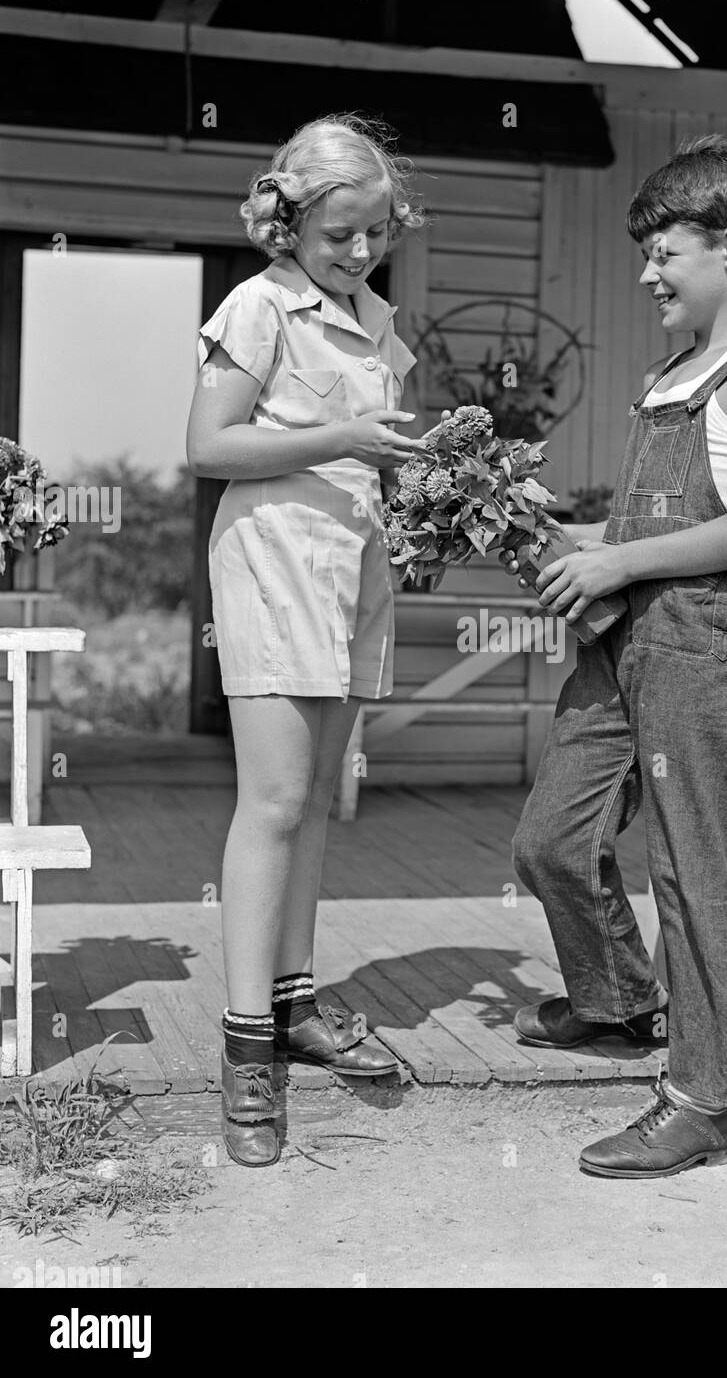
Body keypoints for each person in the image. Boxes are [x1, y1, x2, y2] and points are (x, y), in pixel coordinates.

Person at [504, 136, 727, 1177]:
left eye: (662, 254)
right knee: (550, 837)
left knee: (690, 870)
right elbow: (638, 523)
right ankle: (615, 997)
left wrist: (617, 558)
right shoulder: (668, 373)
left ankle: (703, 1097)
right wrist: (542, 535)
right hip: (622, 639)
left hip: (700, 648)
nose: (645, 274)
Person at [186, 114, 426, 1167]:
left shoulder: (378, 323)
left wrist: (437, 498)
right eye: (339, 234)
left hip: (352, 568)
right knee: (273, 800)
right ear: (289, 222)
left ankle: (295, 1000)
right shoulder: (259, 304)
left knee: (318, 799)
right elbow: (206, 446)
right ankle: (245, 1053)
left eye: (375, 233)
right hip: (275, 557)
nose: (359, 253)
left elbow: (389, 458)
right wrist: (340, 437)